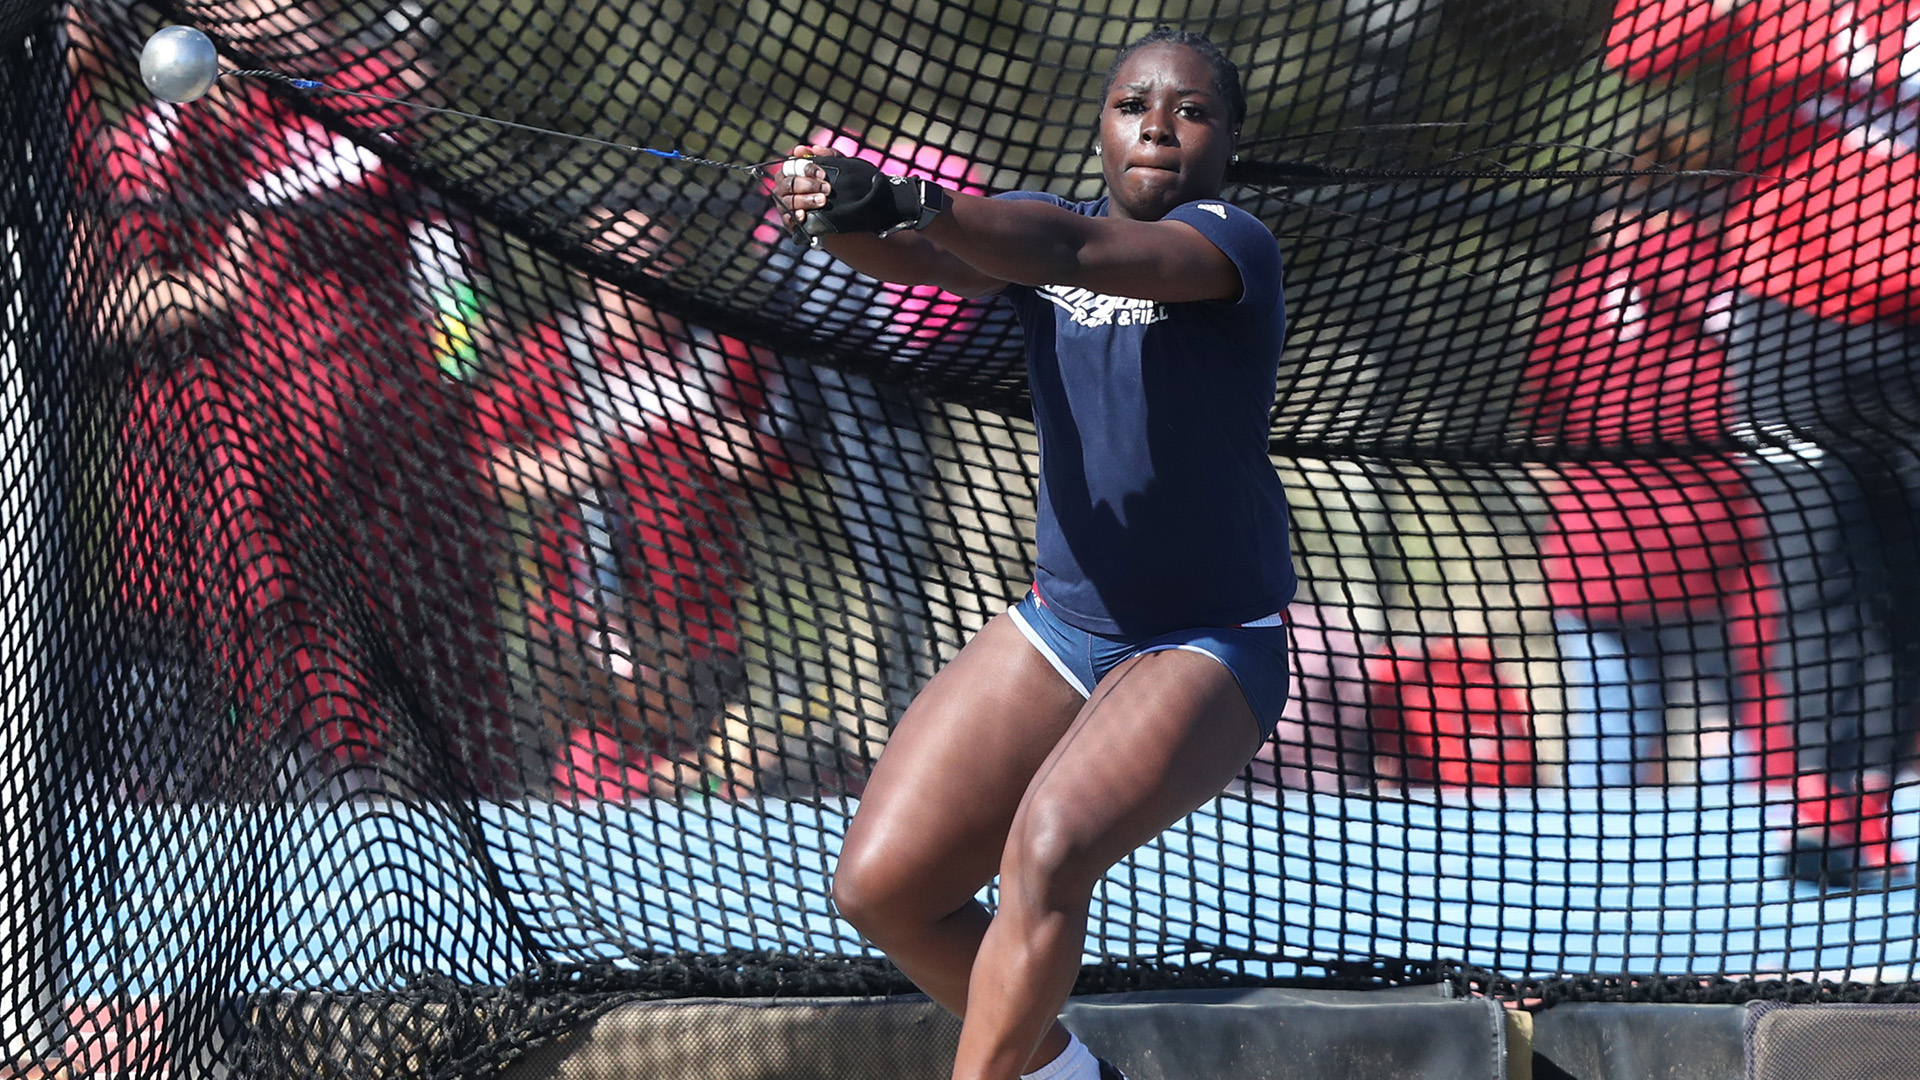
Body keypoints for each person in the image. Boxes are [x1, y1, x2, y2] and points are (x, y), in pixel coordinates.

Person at [772, 27, 1294, 1080]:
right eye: (1131, 103)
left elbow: (1071, 255)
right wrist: (830, 212)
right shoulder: (1040, 234)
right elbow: (914, 260)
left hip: (1206, 643)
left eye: (1190, 110)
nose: (1157, 122)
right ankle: (1068, 1076)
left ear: (1227, 141)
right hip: (1065, 625)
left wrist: (924, 198)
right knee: (885, 888)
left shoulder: (1228, 243)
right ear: (1100, 127)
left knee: (1048, 847)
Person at [68, 0, 516, 798]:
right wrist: (205, 289)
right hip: (214, 510)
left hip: (390, 485)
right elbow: (85, 311)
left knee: (438, 707)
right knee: (242, 743)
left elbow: (454, 301)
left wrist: (461, 376)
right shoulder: (144, 147)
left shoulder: (346, 108)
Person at [1607, 0, 1920, 884]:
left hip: (1912, 331)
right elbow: (1636, 51)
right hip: (1790, 322)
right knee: (1815, 571)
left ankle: (1871, 799)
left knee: (1904, 587)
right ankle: (1831, 817)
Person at [476, 207, 795, 801]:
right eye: (616, 258)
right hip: (586, 621)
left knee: (711, 793)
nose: (633, 273)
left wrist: (736, 449)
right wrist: (561, 466)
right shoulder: (551, 355)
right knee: (595, 788)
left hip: (704, 622)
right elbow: (483, 464)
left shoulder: (720, 352)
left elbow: (778, 456)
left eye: (651, 255)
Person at [1522, 203, 1790, 788]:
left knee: (1604, 762)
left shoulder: (1576, 294)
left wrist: (1575, 498)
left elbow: (1541, 423)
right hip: (1716, 545)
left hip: (1596, 551)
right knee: (1771, 739)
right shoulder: (1747, 284)